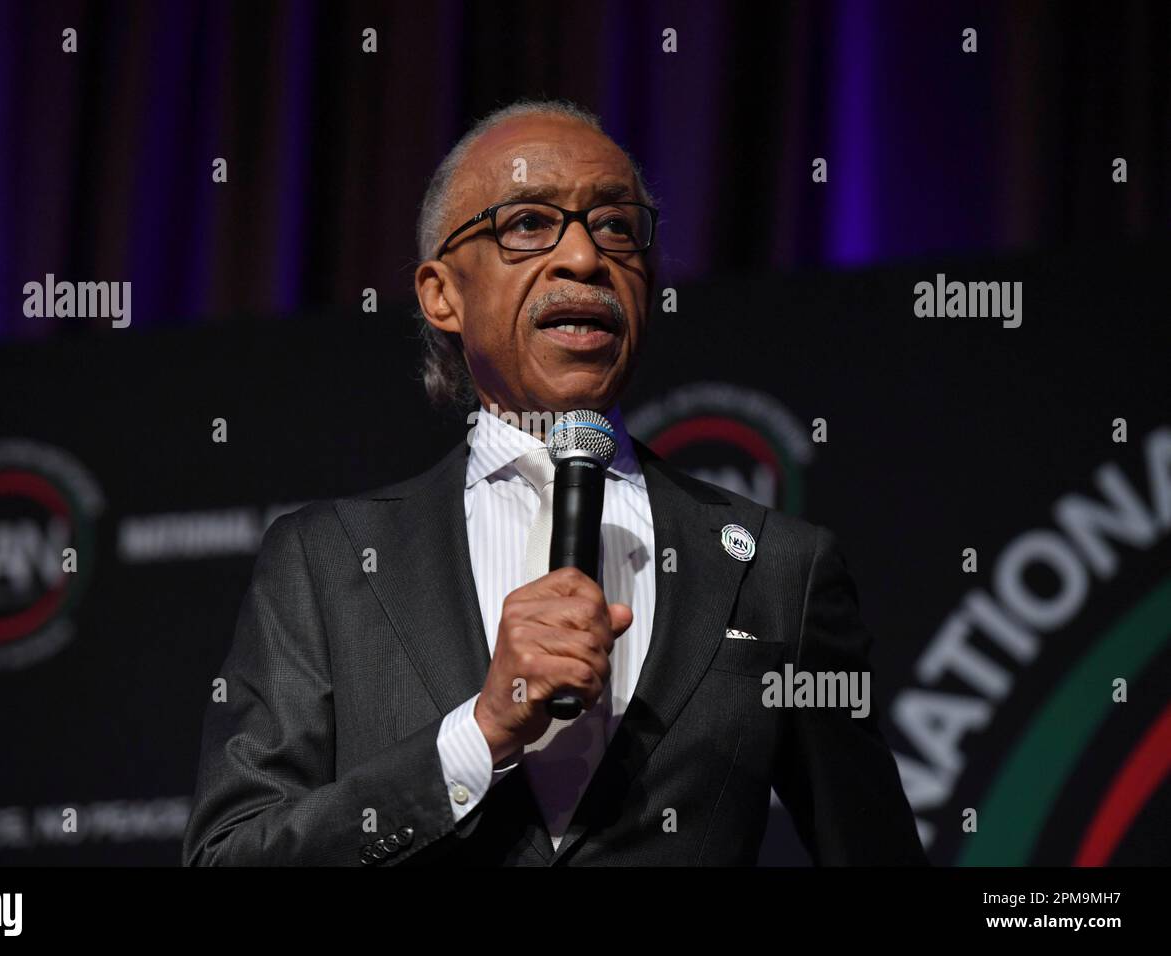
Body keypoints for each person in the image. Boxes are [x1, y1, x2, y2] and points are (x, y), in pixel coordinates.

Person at [182, 99, 927, 866]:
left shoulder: (779, 570)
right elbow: (232, 858)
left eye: (616, 226)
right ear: (443, 294)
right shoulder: (325, 561)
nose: (583, 258)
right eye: (529, 223)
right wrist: (478, 735)